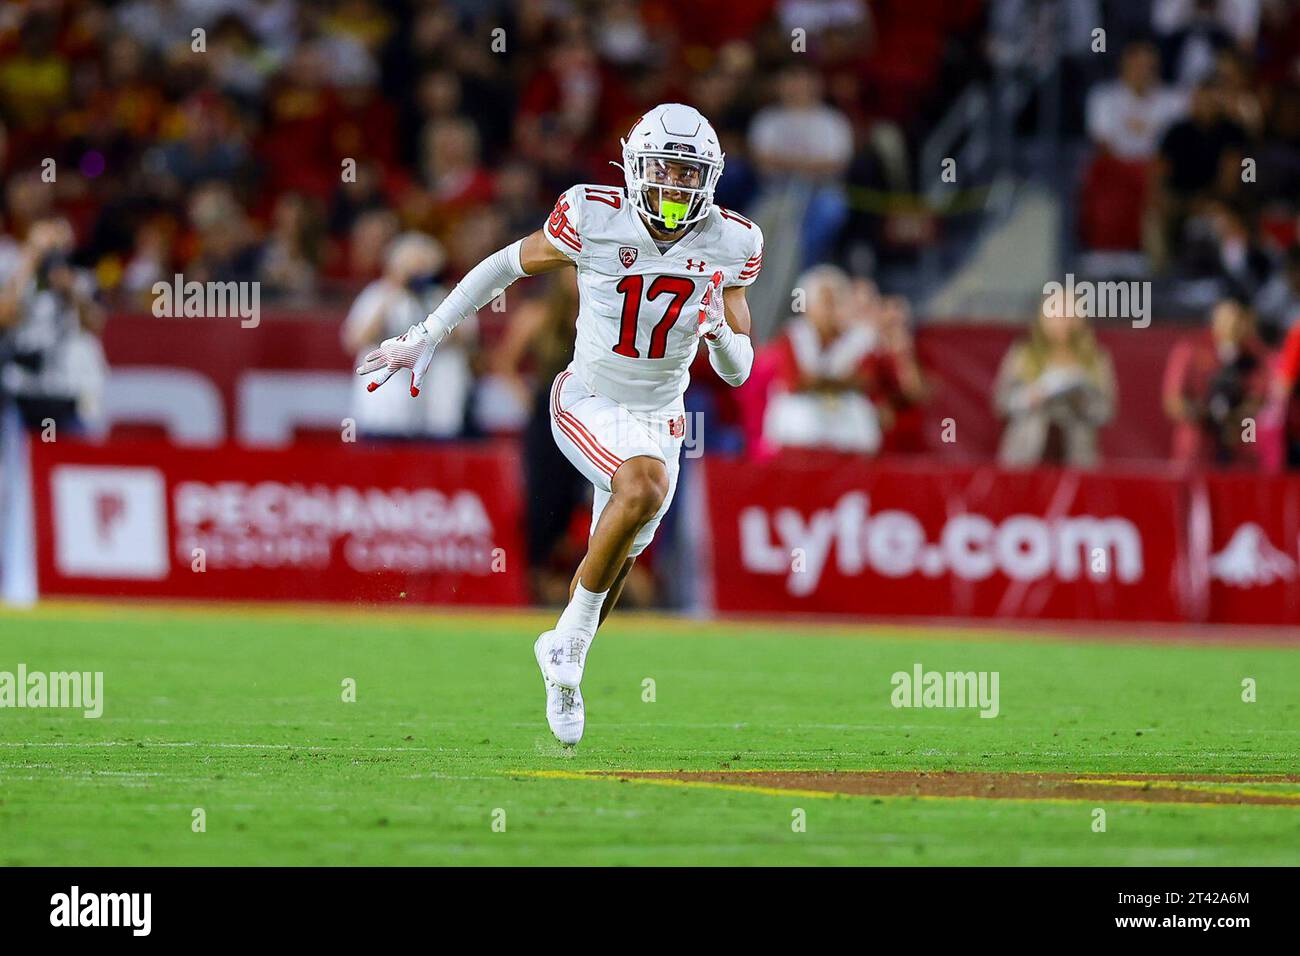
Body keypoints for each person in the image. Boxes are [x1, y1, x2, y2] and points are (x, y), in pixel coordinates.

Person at [357, 104, 762, 746]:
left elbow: (740, 370)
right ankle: (567, 645)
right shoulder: (594, 213)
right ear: (635, 166)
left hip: (661, 412)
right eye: (665, 169)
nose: (675, 186)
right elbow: (505, 264)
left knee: (624, 546)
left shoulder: (734, 240)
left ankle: (566, 662)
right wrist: (429, 332)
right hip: (589, 397)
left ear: (708, 180)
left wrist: (721, 340)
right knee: (644, 486)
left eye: (689, 175)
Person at [342, 231, 471, 440]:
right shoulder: (377, 294)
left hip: (427, 411)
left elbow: (465, 339)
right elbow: (355, 340)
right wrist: (392, 294)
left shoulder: (442, 297)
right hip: (381, 407)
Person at [993, 298, 1117, 468]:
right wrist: (1030, 396)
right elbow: (1001, 403)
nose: (1063, 322)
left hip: (1077, 457)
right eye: (1057, 315)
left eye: (1069, 316)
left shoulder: (1096, 359)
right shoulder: (1023, 355)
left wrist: (1081, 401)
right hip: (1025, 457)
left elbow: (1105, 412)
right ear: (1043, 318)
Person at [1163, 298, 1268, 466]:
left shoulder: (1254, 355)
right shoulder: (1191, 349)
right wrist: (1205, 413)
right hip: (1197, 448)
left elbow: (1259, 397)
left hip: (1239, 446)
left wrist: (1235, 417)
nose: (1233, 326)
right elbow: (1174, 398)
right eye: (1228, 319)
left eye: (1239, 319)